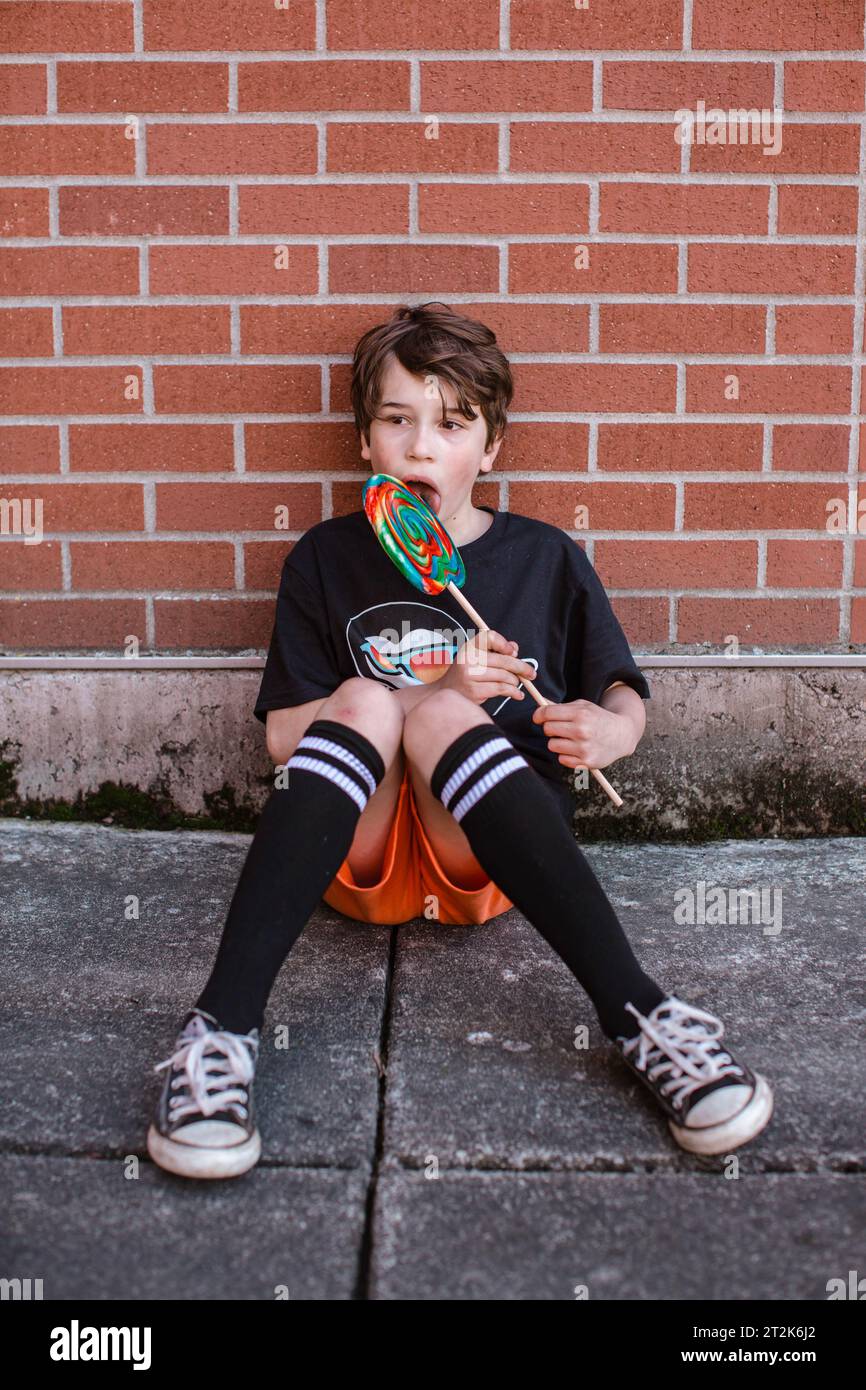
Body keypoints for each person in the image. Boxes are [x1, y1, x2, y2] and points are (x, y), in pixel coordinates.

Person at [146, 302, 774, 1180]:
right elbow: (287, 739)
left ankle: (643, 1017)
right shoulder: (324, 558)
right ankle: (219, 1034)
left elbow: (621, 686)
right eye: (396, 420)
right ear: (366, 443)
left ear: (492, 446)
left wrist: (613, 731)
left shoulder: (545, 557)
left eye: (451, 424)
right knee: (370, 698)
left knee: (443, 718)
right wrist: (433, 683)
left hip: (481, 861)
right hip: (351, 861)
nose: (420, 446)